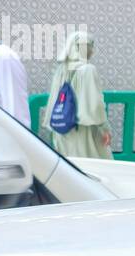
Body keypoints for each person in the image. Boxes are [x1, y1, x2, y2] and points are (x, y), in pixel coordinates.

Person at [43, 30, 113, 159]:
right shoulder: (88, 70)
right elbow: (95, 104)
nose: (92, 51)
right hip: (82, 131)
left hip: (62, 129)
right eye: (90, 47)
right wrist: (104, 129)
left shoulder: (61, 70)